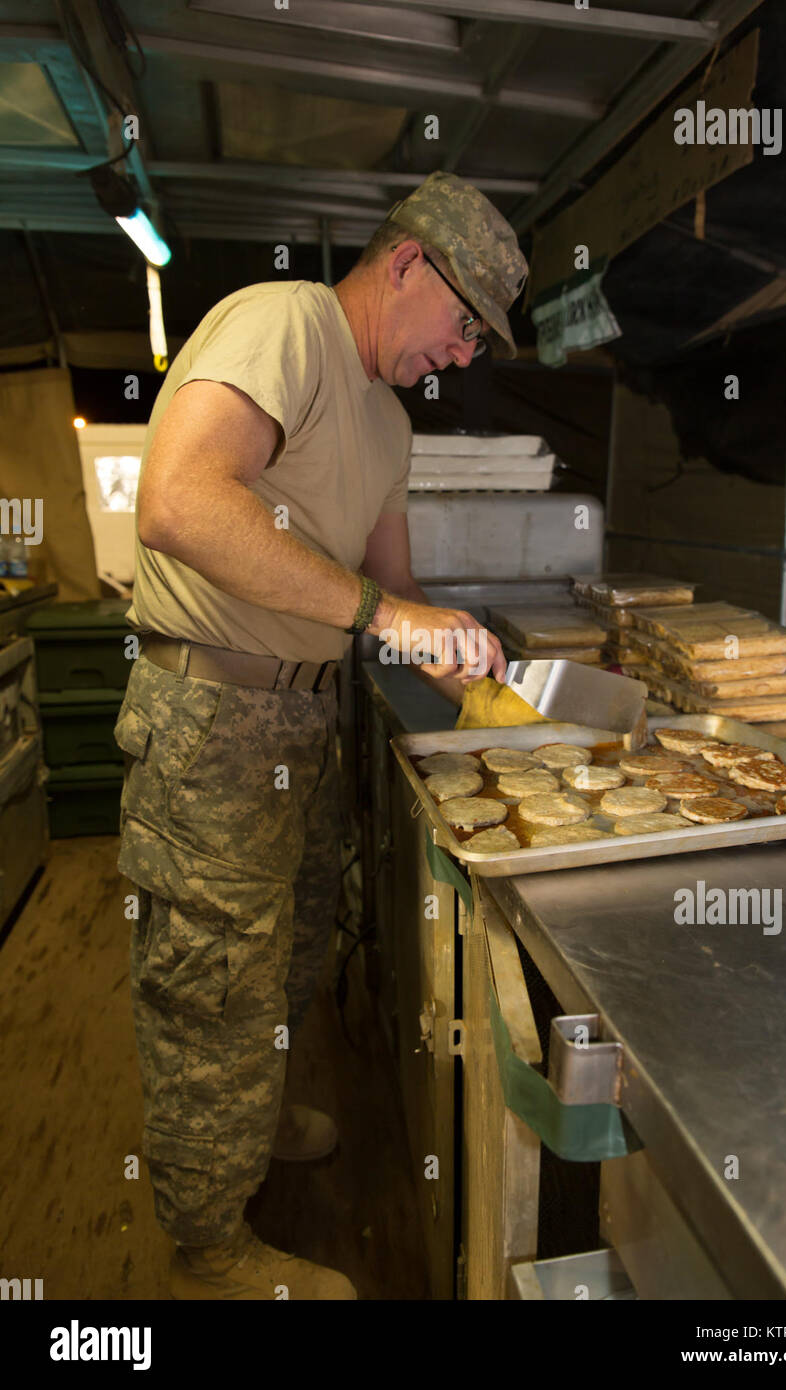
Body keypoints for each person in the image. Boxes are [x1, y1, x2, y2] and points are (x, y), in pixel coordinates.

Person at [114, 170, 528, 1300]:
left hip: (301, 714)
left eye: (479, 346)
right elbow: (181, 500)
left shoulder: (386, 420)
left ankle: (237, 1131)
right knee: (212, 980)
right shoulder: (280, 323)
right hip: (213, 716)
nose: (461, 357)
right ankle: (204, 1244)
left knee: (288, 947)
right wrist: (384, 614)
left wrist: (457, 648)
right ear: (404, 264)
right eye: (460, 326)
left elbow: (392, 593)